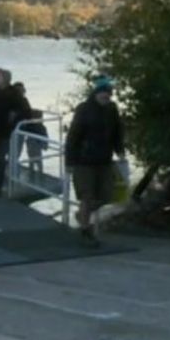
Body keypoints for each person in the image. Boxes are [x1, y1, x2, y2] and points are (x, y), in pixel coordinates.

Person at [65, 75, 126, 247]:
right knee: (87, 196)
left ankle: (81, 215)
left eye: (108, 93)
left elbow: (117, 132)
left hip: (104, 160)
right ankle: (85, 230)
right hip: (83, 161)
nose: (106, 96)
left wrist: (120, 150)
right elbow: (73, 137)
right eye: (103, 93)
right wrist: (69, 162)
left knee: (106, 195)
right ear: (95, 94)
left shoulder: (112, 109)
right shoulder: (84, 109)